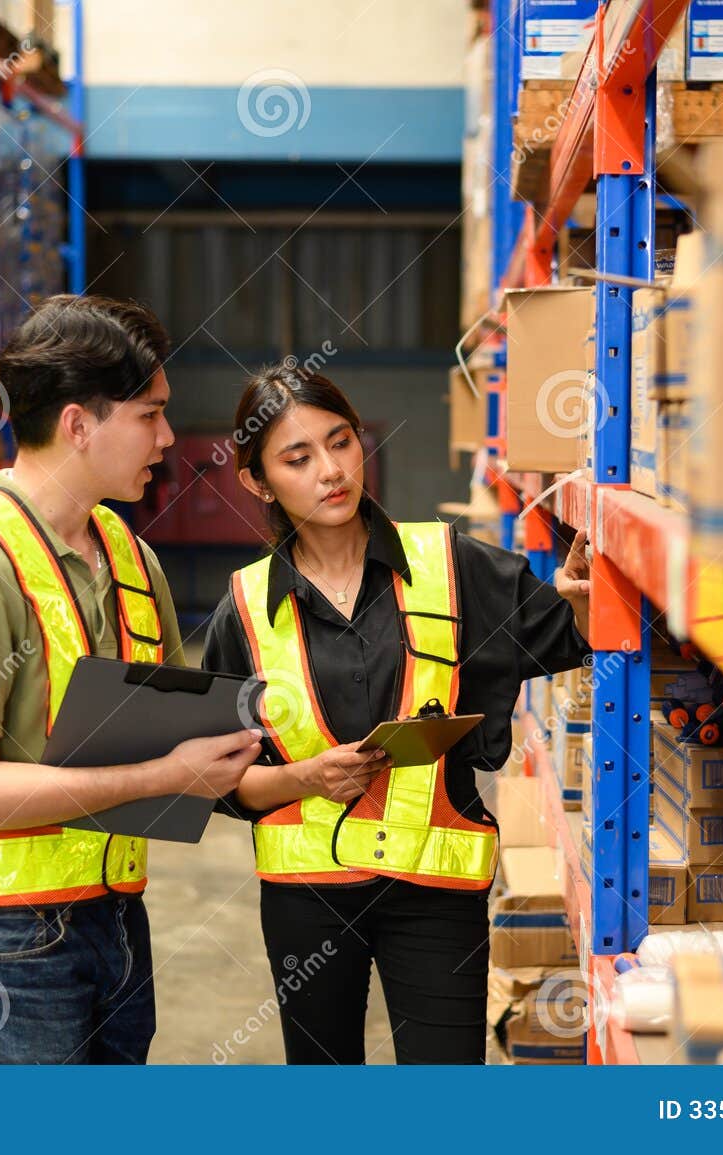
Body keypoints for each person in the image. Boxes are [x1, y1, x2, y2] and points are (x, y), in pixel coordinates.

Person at [0, 294, 262, 1064]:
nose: (168, 437)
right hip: (2, 940)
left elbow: (169, 734)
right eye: (150, 414)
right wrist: (163, 774)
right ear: (78, 424)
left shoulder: (131, 558)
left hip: (117, 918)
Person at [202, 364, 592, 1065]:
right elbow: (225, 782)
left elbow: (566, 631)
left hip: (437, 895)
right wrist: (306, 779)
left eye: (341, 441)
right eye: (298, 458)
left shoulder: (448, 563)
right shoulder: (245, 607)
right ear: (257, 482)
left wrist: (586, 592)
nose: (331, 470)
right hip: (306, 900)